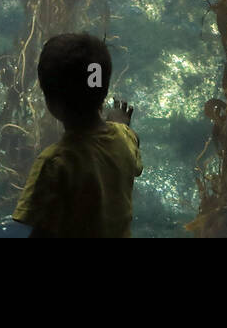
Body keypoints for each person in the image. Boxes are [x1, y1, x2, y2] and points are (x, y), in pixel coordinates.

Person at [13, 34, 142, 238]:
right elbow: (130, 140)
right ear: (104, 91)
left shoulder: (54, 162)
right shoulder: (124, 138)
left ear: (51, 104)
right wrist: (120, 123)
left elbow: (42, 229)